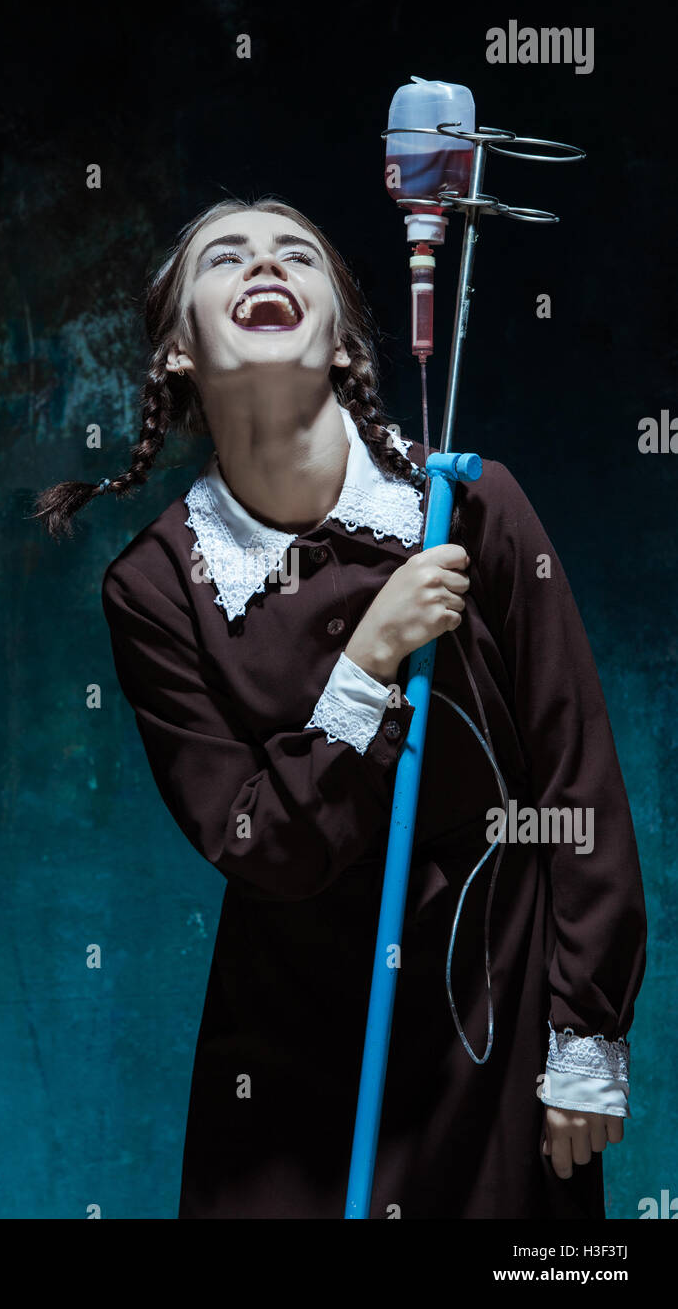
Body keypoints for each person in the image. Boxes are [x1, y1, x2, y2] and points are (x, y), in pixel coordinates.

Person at [33, 195, 647, 1219]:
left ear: (344, 340)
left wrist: (583, 1034)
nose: (263, 265)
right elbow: (260, 843)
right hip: (284, 1055)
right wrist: (367, 658)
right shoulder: (155, 587)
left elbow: (573, 777)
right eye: (224, 258)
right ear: (179, 349)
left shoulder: (469, 502)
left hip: (481, 1024)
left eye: (296, 256)